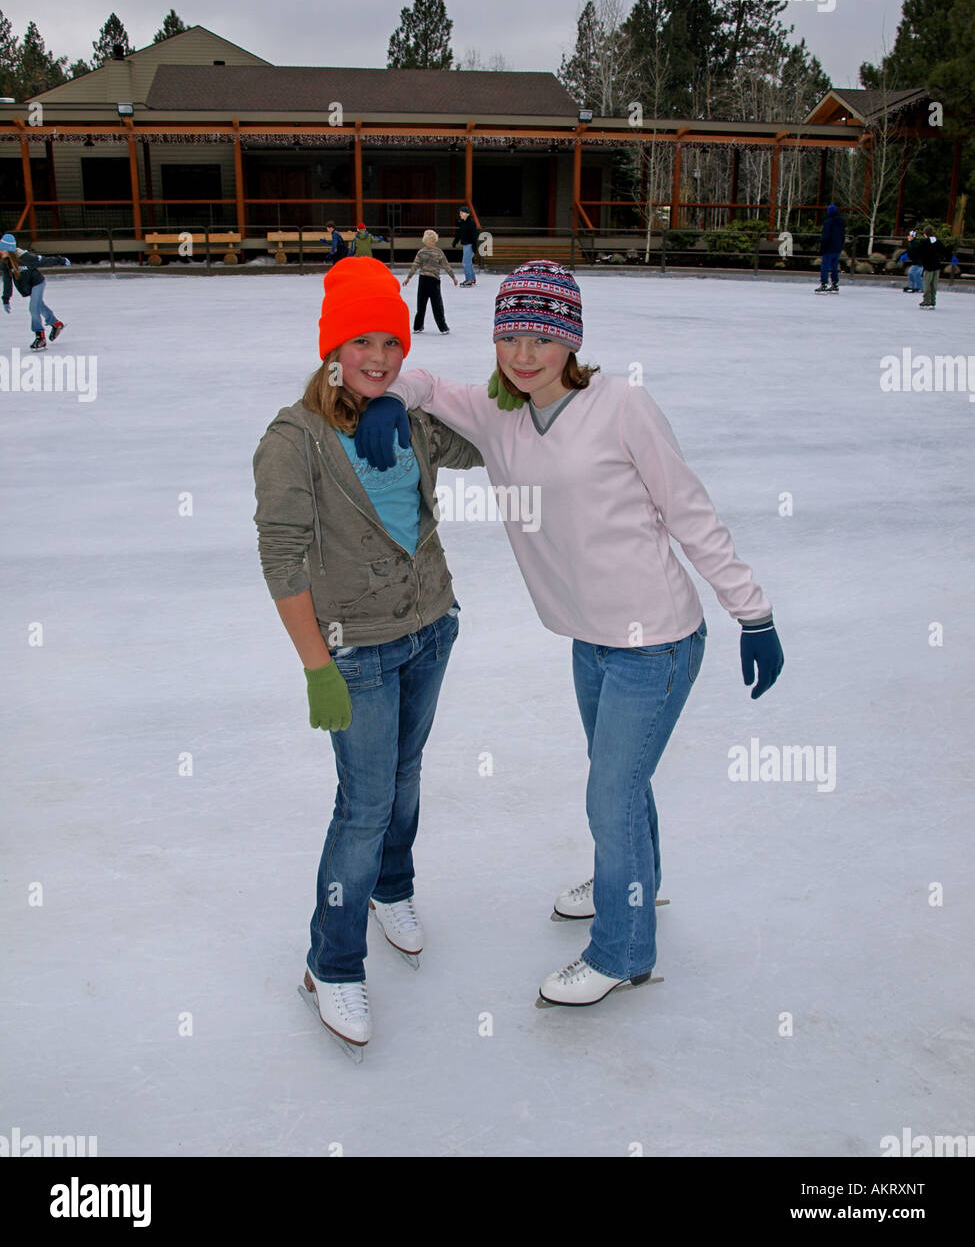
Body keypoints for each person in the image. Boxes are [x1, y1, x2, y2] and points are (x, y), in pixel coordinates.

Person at [354, 260, 784, 1008]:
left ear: (571, 341)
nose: (523, 355)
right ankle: (631, 882)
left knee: (609, 794)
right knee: (620, 783)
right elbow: (425, 384)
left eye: (541, 339)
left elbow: (687, 509)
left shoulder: (622, 407)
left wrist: (753, 612)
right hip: (590, 640)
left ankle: (622, 951)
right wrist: (390, 396)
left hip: (657, 640)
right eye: (509, 336)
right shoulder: (500, 415)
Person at [252, 257, 482, 1058]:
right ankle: (331, 961)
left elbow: (494, 436)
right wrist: (317, 665)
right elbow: (281, 558)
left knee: (405, 778)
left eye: (392, 340)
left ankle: (393, 887)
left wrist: (414, 397)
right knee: (363, 805)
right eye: (362, 341)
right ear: (331, 348)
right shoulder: (295, 439)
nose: (379, 357)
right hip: (354, 650)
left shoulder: (407, 416)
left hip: (429, 626)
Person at [1, 232, 70, 350]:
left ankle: (40, 337)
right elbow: (7, 281)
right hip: (28, 288)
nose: (0, 251)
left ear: (9, 249)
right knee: (39, 306)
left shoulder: (25, 257)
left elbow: (43, 261)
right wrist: (6, 298)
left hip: (37, 283)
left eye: (2, 249)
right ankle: (56, 324)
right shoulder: (5, 262)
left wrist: (61, 260)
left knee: (33, 308)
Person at [402, 228, 457, 334]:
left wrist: (408, 278)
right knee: (437, 305)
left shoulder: (421, 252)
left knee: (421, 304)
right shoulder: (438, 252)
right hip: (434, 280)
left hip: (423, 279)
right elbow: (446, 265)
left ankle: (417, 326)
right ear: (435, 239)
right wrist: (453, 277)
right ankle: (443, 327)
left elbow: (415, 265)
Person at [815, 204, 845, 293]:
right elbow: (842, 236)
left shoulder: (828, 222)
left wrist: (822, 247)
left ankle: (824, 284)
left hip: (829, 248)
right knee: (834, 267)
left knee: (825, 266)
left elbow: (826, 236)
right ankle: (835, 284)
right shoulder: (841, 221)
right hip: (837, 248)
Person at [917, 226, 947, 310]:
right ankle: (933, 301)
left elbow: (918, 251)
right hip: (937, 266)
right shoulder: (938, 242)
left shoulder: (925, 242)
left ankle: (926, 301)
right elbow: (944, 251)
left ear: (925, 233)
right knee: (934, 285)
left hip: (928, 266)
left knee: (927, 284)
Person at [452, 207, 478, 287]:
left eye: (462, 213)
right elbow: (459, 233)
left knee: (466, 262)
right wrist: (455, 241)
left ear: (467, 213)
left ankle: (469, 280)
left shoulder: (471, 223)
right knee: (468, 262)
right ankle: (472, 278)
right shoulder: (463, 222)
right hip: (465, 244)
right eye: (460, 213)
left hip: (469, 245)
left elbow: (474, 235)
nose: (460, 214)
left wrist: (474, 246)